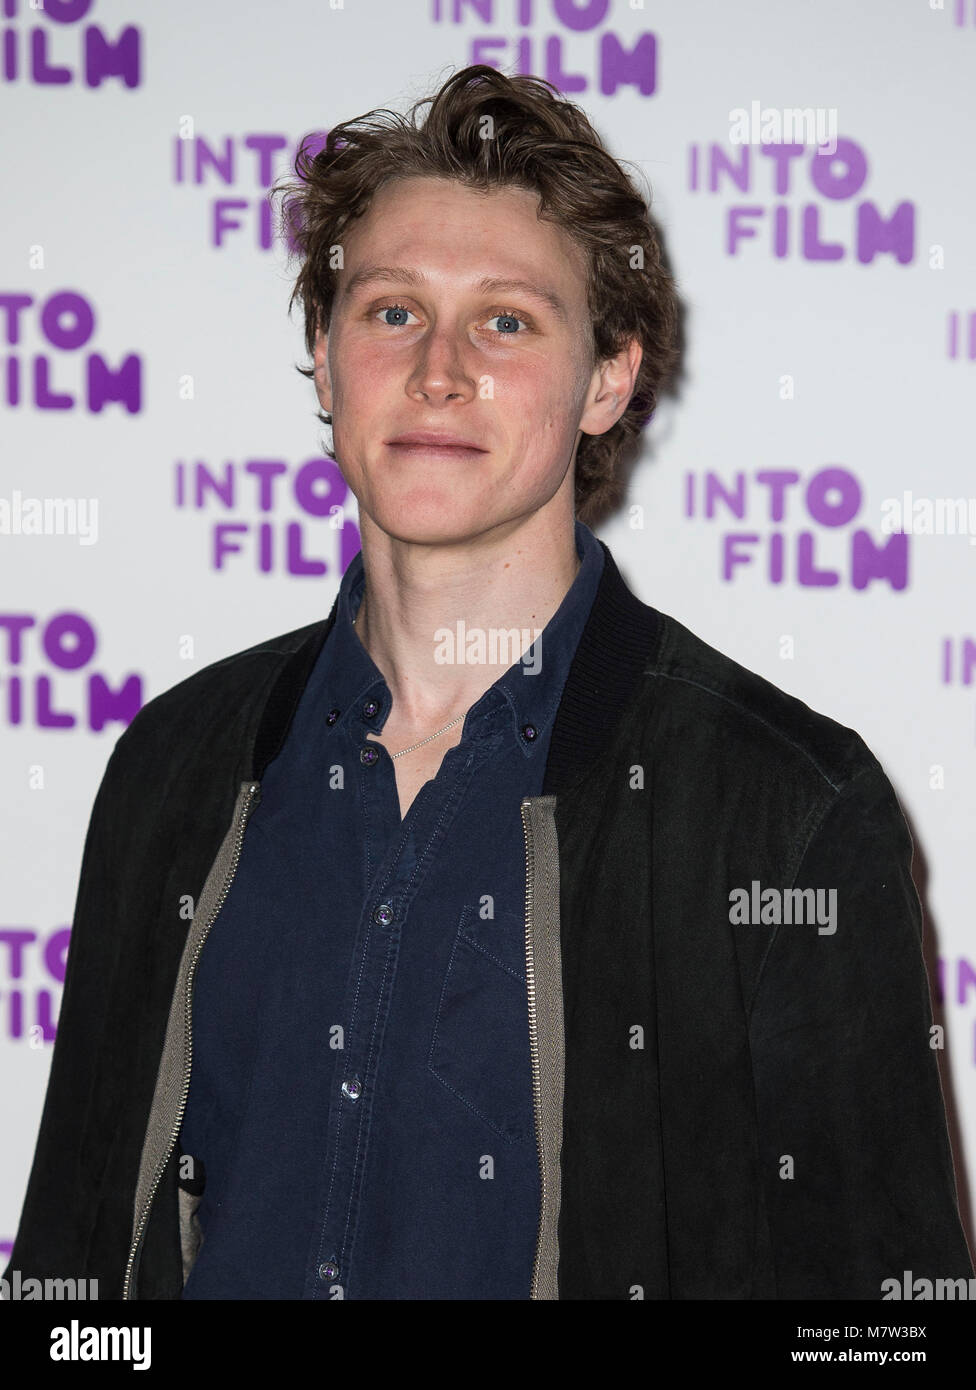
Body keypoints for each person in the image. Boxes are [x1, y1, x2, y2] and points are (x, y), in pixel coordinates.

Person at [6, 64, 973, 1301]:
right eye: (391, 310)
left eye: (507, 321)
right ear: (322, 350)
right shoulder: (175, 766)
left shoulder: (784, 808)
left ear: (609, 378)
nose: (439, 370)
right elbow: (67, 1286)